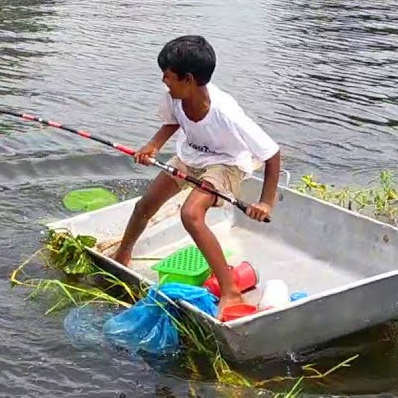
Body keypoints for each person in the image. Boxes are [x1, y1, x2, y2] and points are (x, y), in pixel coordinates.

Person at [112, 35, 282, 321]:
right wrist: (153, 146)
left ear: (188, 79)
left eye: (167, 76)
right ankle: (122, 255)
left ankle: (230, 291)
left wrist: (265, 202)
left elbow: (272, 154)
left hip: (226, 164)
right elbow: (172, 120)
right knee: (146, 204)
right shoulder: (174, 96)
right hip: (190, 157)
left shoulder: (226, 113)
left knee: (191, 214)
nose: (163, 81)